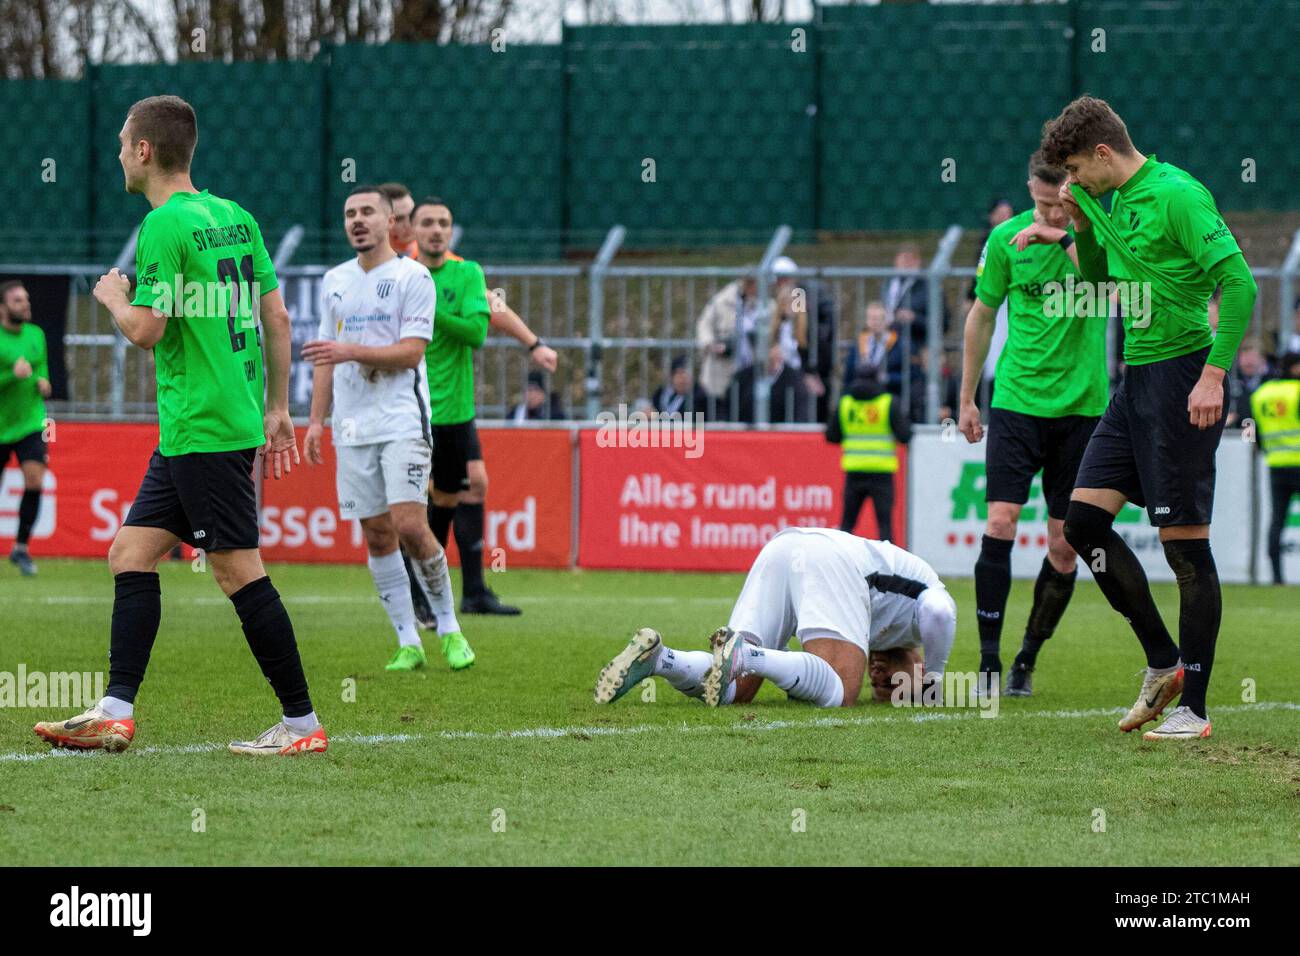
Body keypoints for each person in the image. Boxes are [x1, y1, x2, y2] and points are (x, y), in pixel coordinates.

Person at [34, 95, 326, 756]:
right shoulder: (235, 216)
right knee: (131, 554)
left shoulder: (165, 226)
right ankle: (115, 710)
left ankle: (303, 725)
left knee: (236, 572)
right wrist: (279, 407)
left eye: (120, 144)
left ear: (143, 151)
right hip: (212, 423)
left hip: (205, 425)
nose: (116, 155)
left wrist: (112, 296)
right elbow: (276, 319)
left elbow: (148, 329)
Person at [1041, 95, 1257, 740]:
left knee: (1185, 549)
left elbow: (1241, 283)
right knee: (1081, 524)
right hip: (1136, 381)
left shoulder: (1178, 195)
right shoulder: (1114, 203)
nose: (1072, 182)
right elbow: (1107, 284)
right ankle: (1164, 663)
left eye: (1077, 169)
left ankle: (1195, 709)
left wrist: (1214, 375)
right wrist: (1080, 223)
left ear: (1103, 153)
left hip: (1185, 376)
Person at [957, 151, 1107, 697]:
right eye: (1039, 205)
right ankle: (990, 663)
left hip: (1082, 409)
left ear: (1074, 189)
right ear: (1030, 189)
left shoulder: (1094, 231)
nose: (1047, 215)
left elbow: (1111, 288)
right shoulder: (1004, 240)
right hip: (1018, 403)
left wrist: (1063, 237)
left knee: (1066, 546)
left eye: (1057, 205)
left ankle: (1027, 658)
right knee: (1000, 523)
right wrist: (968, 397)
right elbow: (981, 314)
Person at [303, 185, 471, 673]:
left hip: (402, 418)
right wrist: (316, 421)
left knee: (410, 526)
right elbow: (323, 358)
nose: (358, 220)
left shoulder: (412, 276)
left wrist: (350, 351)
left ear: (389, 222)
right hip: (351, 426)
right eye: (350, 213)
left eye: (367, 212)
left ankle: (449, 628)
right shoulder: (334, 280)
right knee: (376, 534)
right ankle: (407, 641)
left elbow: (412, 352)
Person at [594, 527, 955, 710]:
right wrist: (935, 679)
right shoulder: (917, 615)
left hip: (783, 548)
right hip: (826, 556)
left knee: (736, 691)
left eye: (883, 686)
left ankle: (661, 659)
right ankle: (747, 654)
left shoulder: (880, 624)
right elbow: (940, 611)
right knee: (842, 693)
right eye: (895, 682)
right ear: (916, 665)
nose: (879, 678)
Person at [402, 195, 543, 618]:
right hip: (417, 406)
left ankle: (465, 589)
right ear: (413, 229)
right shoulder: (401, 275)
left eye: (443, 222)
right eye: (427, 222)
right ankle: (433, 588)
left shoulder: (465, 273)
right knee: (441, 495)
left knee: (465, 487)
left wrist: (429, 311)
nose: (436, 229)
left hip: (455, 407)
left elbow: (475, 332)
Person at [826, 364, 911, 541]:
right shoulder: (888, 403)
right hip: (882, 473)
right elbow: (904, 436)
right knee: (884, 526)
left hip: (854, 471)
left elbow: (831, 436)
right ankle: (889, 567)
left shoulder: (846, 403)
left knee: (847, 525)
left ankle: (840, 565)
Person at [0, 280, 51, 577]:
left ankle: (21, 547)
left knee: (34, 480)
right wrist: (10, 375)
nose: (25, 304)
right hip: (2, 425)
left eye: (26, 299)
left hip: (32, 421)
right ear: (4, 307)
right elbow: (14, 375)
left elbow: (41, 368)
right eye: (18, 301)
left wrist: (43, 382)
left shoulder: (36, 334)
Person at [1250, 352, 1300, 585]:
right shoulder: (1297, 391)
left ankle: (1277, 577)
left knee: (1276, 522)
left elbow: (1248, 426)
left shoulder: (1262, 393)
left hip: (1276, 464)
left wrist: (1257, 447)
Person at [695, 274, 774, 423]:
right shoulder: (723, 300)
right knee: (720, 411)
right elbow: (704, 325)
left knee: (747, 410)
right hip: (723, 368)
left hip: (751, 368)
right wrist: (710, 344)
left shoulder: (766, 304)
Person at [771, 256, 836, 423]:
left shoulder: (803, 316)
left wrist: (811, 373)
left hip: (801, 376)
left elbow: (810, 343)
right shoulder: (777, 324)